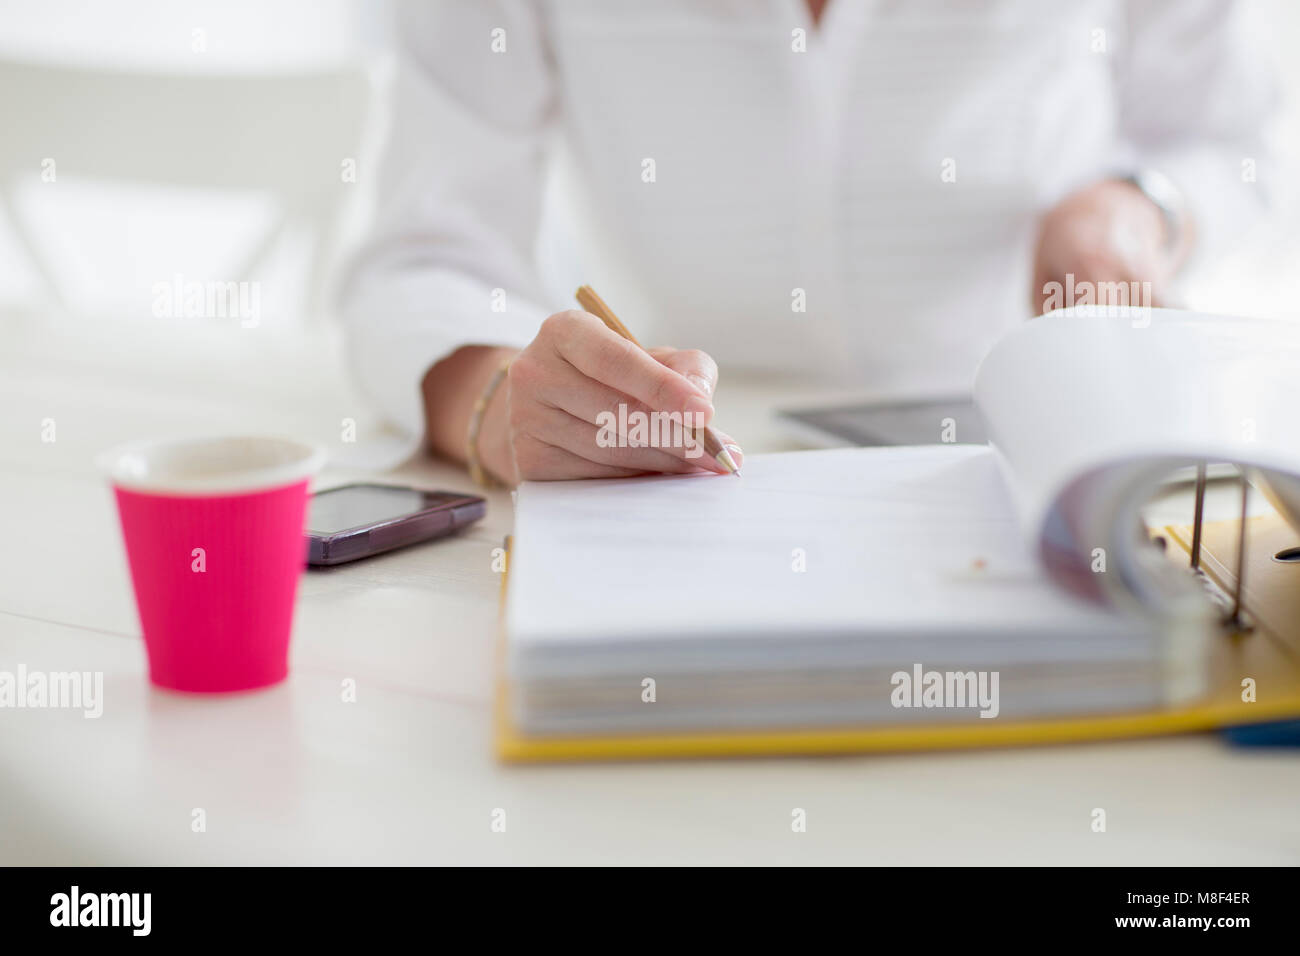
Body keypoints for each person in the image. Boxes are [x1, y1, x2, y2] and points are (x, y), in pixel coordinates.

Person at [339, 0, 1275, 486]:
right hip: (678, 459)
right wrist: (500, 407)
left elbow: (1240, 142)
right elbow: (425, 254)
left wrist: (1137, 205)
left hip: (1033, 446)